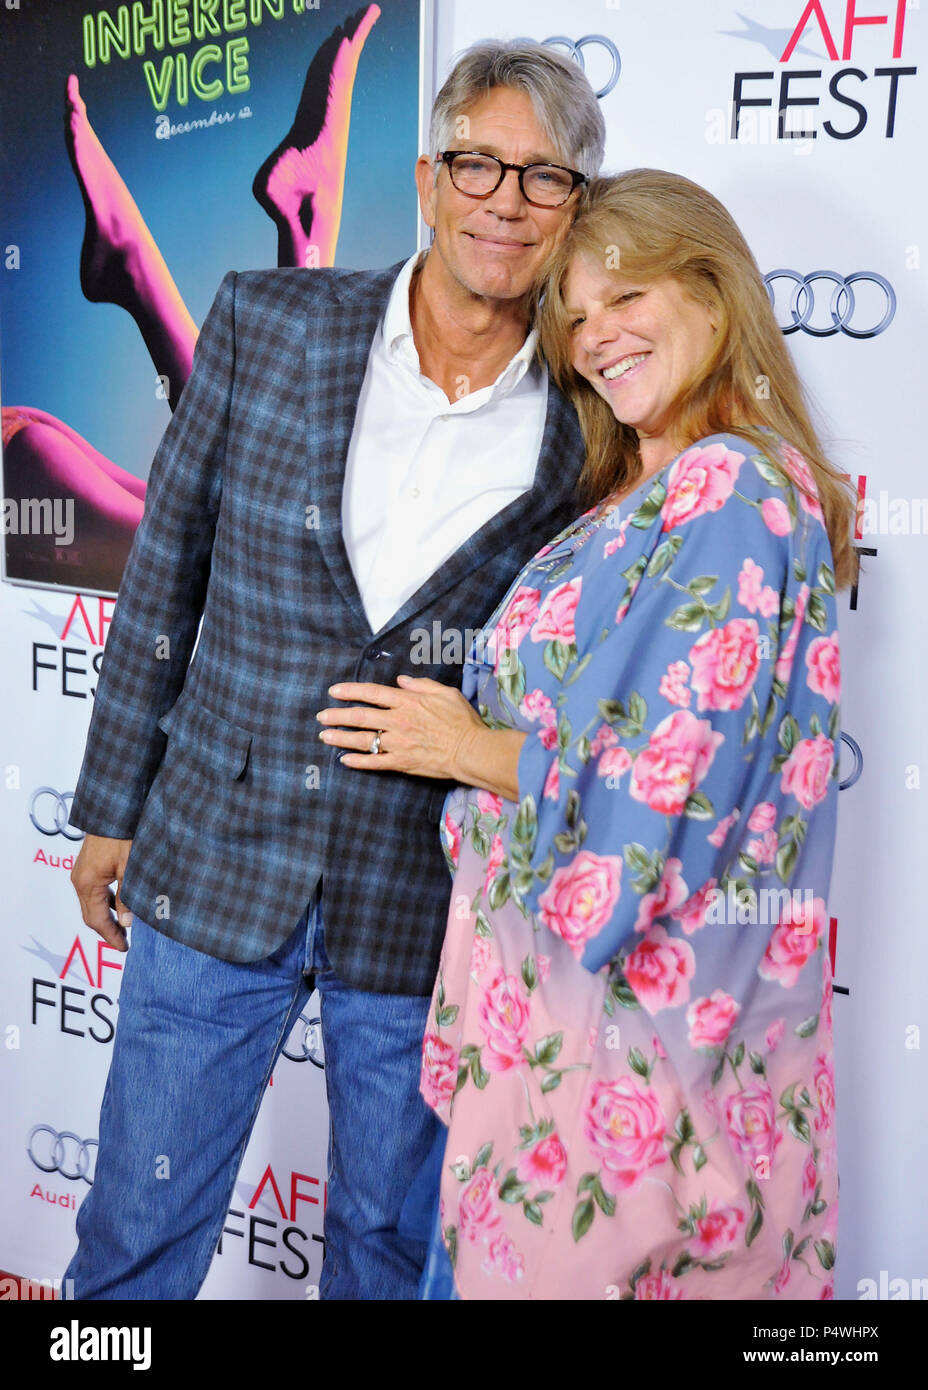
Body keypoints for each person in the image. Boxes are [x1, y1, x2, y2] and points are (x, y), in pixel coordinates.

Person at [62, 39, 605, 1300]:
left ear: (578, 205)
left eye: (541, 177)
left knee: (389, 1254)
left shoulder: (597, 411)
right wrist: (107, 807)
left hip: (424, 895)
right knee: (134, 1241)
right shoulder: (268, 319)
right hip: (213, 847)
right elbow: (165, 577)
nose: (504, 202)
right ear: (426, 179)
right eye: (477, 164)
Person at [316, 169, 857, 1300]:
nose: (597, 336)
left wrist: (463, 749)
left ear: (711, 293)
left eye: (626, 295)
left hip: (635, 1059)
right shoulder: (637, 499)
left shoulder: (731, 493)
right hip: (551, 1051)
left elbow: (657, 788)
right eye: (576, 315)